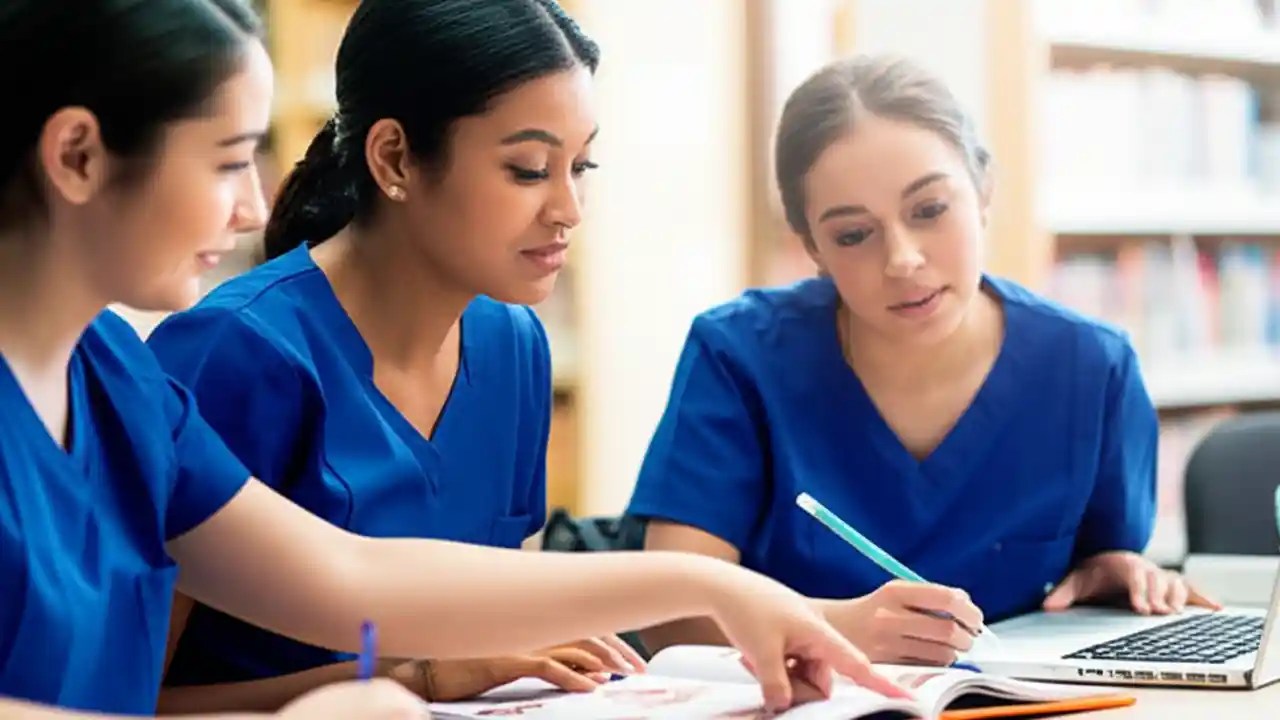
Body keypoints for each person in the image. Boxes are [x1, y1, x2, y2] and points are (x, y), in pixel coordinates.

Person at [0, 2, 909, 716]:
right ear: (76, 155)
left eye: (580, 169)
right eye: (229, 161)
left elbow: (346, 579)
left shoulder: (115, 375)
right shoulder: (223, 351)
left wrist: (705, 582)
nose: (251, 209)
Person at [627, 54, 1218, 666]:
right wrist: (834, 627)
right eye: (854, 235)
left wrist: (1109, 571)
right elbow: (671, 614)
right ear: (813, 248)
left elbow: (1098, 559)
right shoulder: (739, 356)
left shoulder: (1092, 369)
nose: (903, 259)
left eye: (930, 210)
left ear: (984, 190)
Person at [146, 0, 645, 711]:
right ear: (395, 158)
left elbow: (497, 633)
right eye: (530, 169)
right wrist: (411, 681)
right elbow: (124, 702)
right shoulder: (235, 353)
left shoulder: (513, 344)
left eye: (582, 165)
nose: (568, 207)